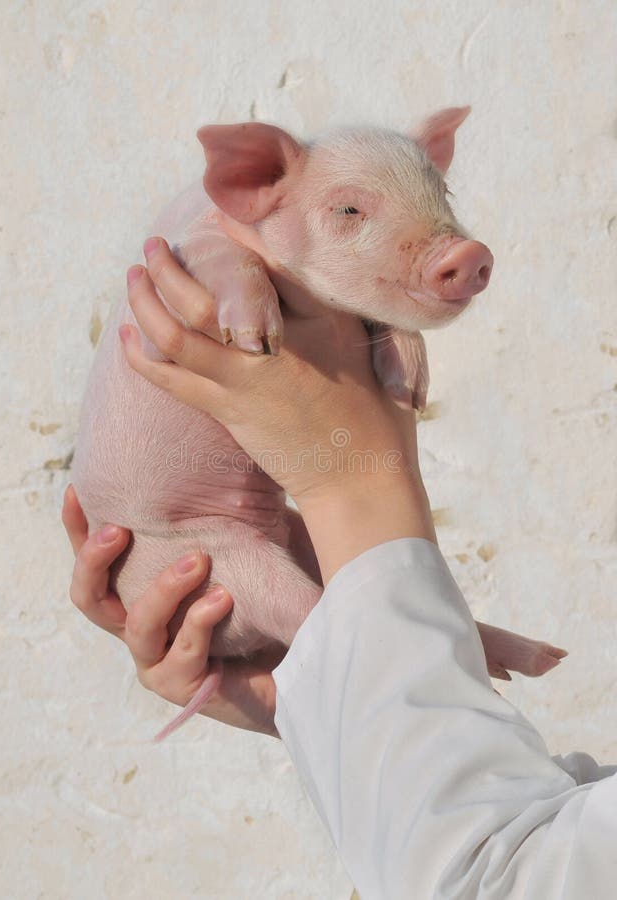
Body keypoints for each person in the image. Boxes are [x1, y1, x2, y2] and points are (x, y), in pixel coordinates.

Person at [63, 238, 617, 898]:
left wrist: (355, 485)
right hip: (189, 541)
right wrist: (344, 696)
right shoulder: (218, 239)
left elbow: (485, 877)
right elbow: (551, 842)